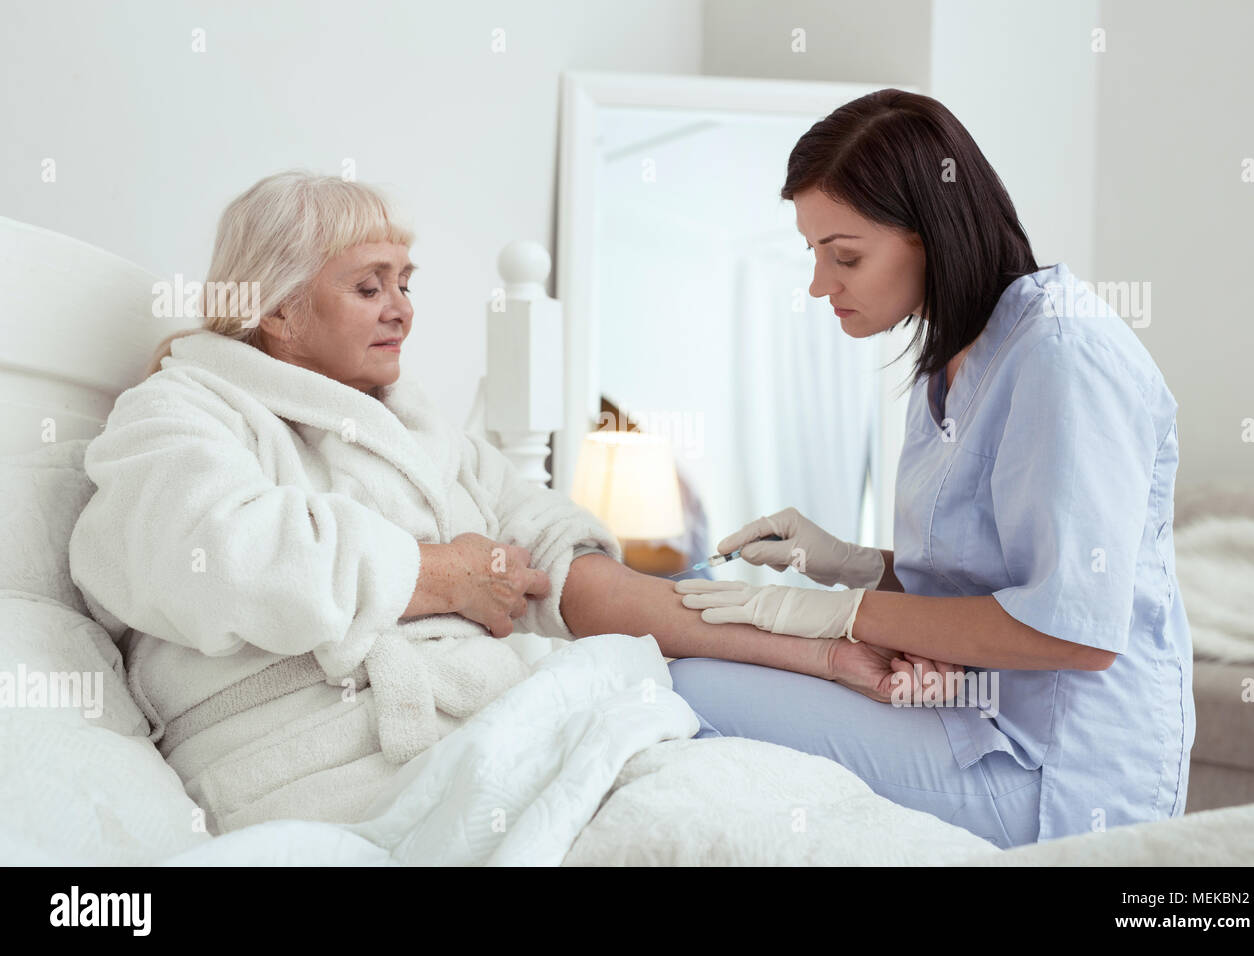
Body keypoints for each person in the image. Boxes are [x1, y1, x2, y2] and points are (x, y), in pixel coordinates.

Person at [69, 170, 947, 834]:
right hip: (314, 763)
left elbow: (569, 572)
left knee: (768, 809)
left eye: (406, 283)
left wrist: (826, 648)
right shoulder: (182, 412)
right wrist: (444, 575)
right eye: (369, 286)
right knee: (680, 834)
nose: (402, 311)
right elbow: (217, 557)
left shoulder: (424, 436)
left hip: (482, 723)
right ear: (279, 311)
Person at [668, 89, 1195, 849]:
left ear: (931, 236)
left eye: (844, 255)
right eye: (813, 253)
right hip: (962, 702)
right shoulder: (950, 361)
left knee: (693, 690)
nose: (820, 285)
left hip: (1056, 767)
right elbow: (971, 587)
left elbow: (1075, 633)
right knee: (686, 641)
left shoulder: (1061, 355)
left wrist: (837, 617)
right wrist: (850, 566)